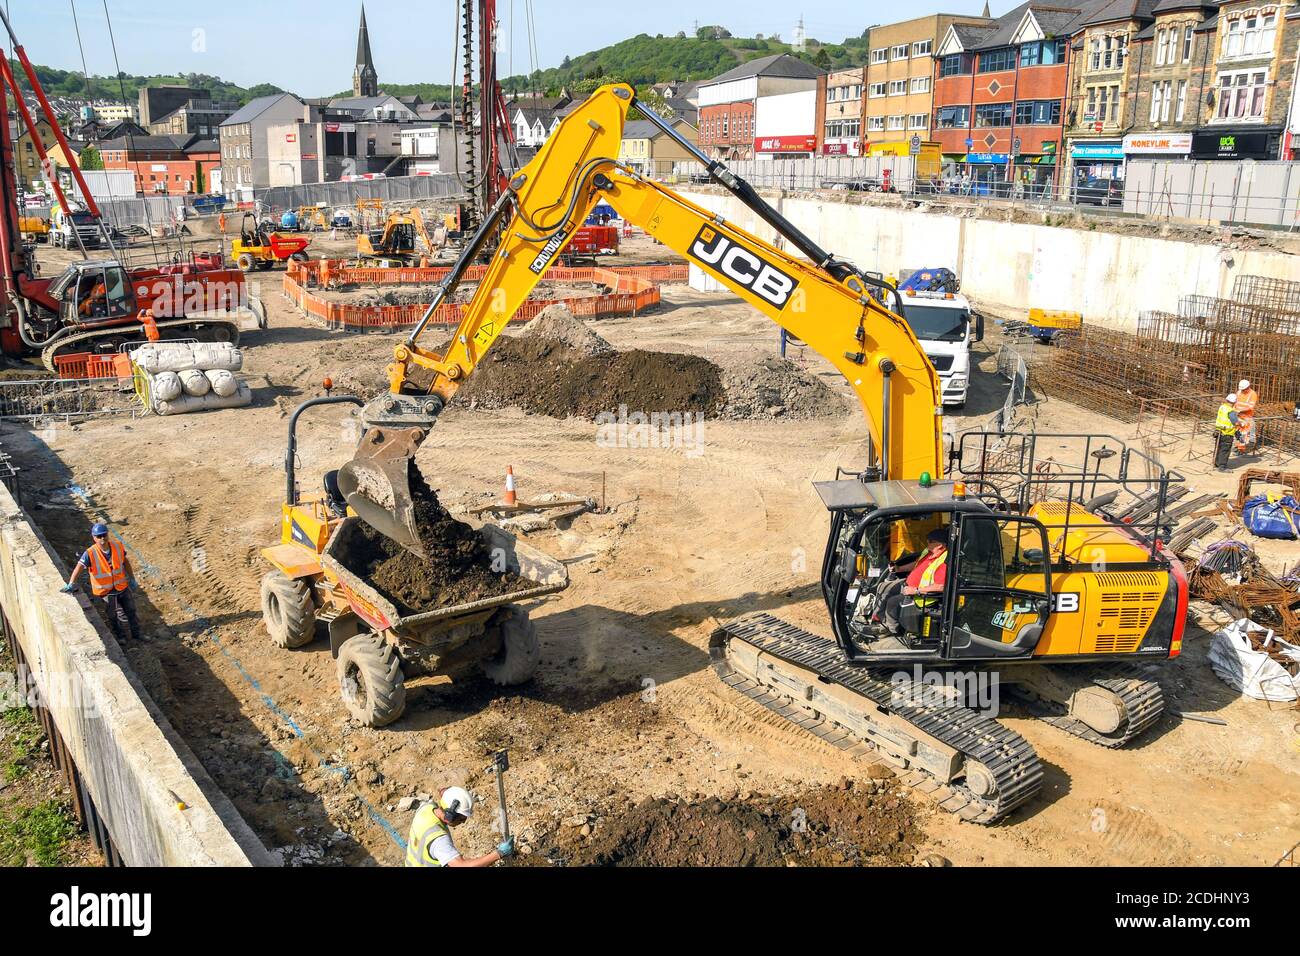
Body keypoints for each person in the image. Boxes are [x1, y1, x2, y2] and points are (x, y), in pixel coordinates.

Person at [61, 522, 143, 643]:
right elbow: (79, 567)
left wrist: (131, 578)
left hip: (121, 587)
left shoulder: (117, 546)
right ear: (94, 538)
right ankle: (121, 636)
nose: (102, 538)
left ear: (107, 535)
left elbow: (125, 562)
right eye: (99, 536)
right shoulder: (90, 553)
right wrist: (71, 583)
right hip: (106, 591)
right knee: (114, 615)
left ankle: (137, 635)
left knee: (131, 610)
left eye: (104, 535)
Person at [405, 786, 514, 867]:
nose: (463, 822)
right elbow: (461, 865)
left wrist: (447, 792)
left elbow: (444, 795)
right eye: (461, 818)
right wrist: (499, 853)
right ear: (450, 816)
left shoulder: (426, 807)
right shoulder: (439, 841)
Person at [882, 527, 949, 637]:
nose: (927, 543)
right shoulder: (929, 552)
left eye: (930, 541)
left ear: (940, 545)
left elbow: (940, 586)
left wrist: (916, 590)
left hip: (921, 597)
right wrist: (899, 569)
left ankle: (893, 631)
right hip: (909, 587)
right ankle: (880, 622)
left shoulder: (943, 561)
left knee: (892, 602)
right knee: (884, 587)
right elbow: (917, 564)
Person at [1213, 394, 1240, 471]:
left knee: (1218, 448)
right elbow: (1235, 422)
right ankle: (1222, 467)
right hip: (1227, 433)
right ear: (1234, 402)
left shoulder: (1222, 407)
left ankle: (1216, 463)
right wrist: (1240, 423)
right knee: (1225, 450)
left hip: (1219, 431)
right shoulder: (1231, 411)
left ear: (1226, 400)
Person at [1233, 378, 1258, 453]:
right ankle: (1237, 446)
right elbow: (1235, 403)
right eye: (1242, 390)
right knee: (1237, 431)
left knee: (1244, 433)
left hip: (1246, 417)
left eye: (1244, 389)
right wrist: (1234, 410)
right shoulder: (1239, 392)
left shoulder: (1253, 394)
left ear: (1248, 387)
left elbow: (1250, 407)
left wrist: (1240, 411)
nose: (1242, 391)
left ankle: (1241, 449)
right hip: (1237, 415)